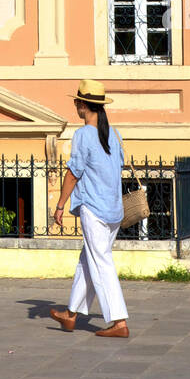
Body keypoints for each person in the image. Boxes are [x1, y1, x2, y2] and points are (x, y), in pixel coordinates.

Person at [49, 79, 130, 339]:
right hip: (114, 210)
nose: (75, 105)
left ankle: (118, 321)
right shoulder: (113, 134)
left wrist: (60, 204)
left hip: (94, 209)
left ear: (84, 105)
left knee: (100, 262)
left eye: (76, 101)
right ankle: (71, 314)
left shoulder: (83, 134)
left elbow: (73, 173)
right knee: (89, 259)